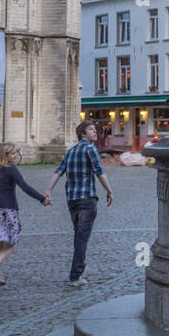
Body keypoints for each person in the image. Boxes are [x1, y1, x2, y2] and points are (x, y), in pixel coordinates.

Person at [0, 142, 50, 286]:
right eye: (13, 153)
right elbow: (25, 187)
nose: (15, 156)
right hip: (7, 210)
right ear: (5, 155)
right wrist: (42, 199)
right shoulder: (11, 169)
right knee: (11, 244)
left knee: (1, 245)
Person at [46, 120, 112, 286]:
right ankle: (76, 275)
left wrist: (49, 190)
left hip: (72, 200)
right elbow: (99, 172)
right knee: (82, 237)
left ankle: (78, 270)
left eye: (95, 130)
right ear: (83, 134)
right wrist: (109, 191)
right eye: (91, 130)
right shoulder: (90, 149)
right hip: (87, 199)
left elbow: (58, 172)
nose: (95, 132)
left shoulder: (70, 151)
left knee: (79, 236)